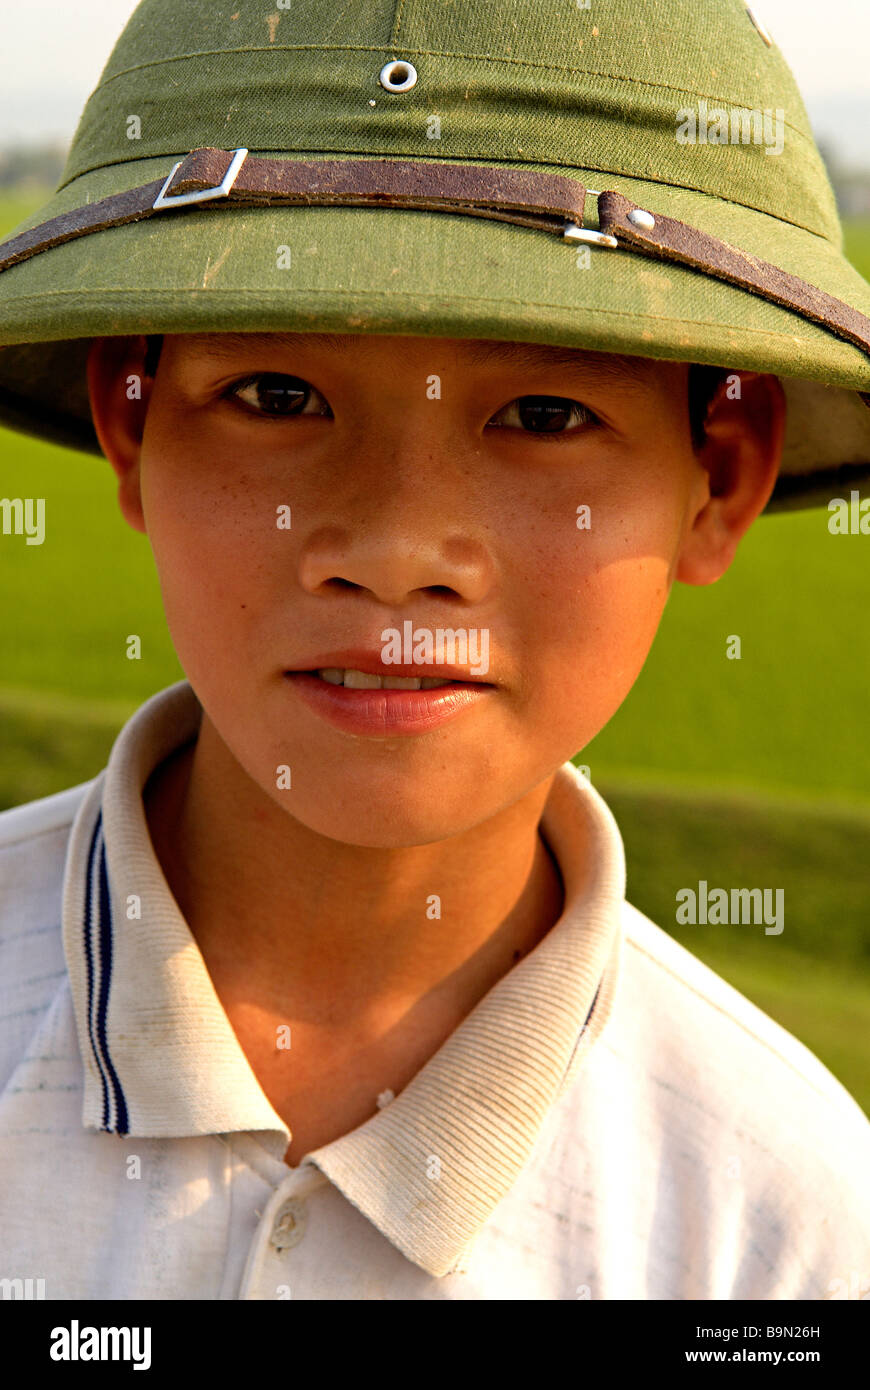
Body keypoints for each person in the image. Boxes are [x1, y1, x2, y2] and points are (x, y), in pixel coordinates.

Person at [0, 0, 868, 1300]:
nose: (395, 550)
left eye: (544, 413)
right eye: (276, 396)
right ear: (132, 426)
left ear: (719, 476)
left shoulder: (780, 1230)